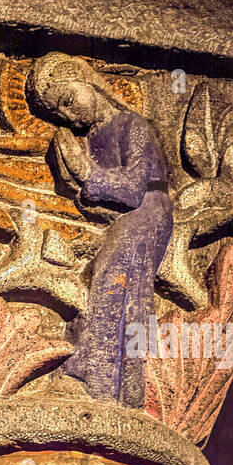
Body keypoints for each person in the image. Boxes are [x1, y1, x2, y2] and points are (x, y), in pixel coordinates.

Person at [27, 54, 173, 406]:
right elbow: (99, 198)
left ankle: (95, 378)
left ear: (85, 79)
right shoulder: (91, 139)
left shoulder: (131, 125)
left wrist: (87, 176)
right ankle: (114, 385)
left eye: (67, 101)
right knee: (115, 285)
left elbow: (134, 187)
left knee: (115, 283)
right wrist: (75, 180)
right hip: (124, 219)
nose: (68, 115)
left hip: (150, 211)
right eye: (59, 114)